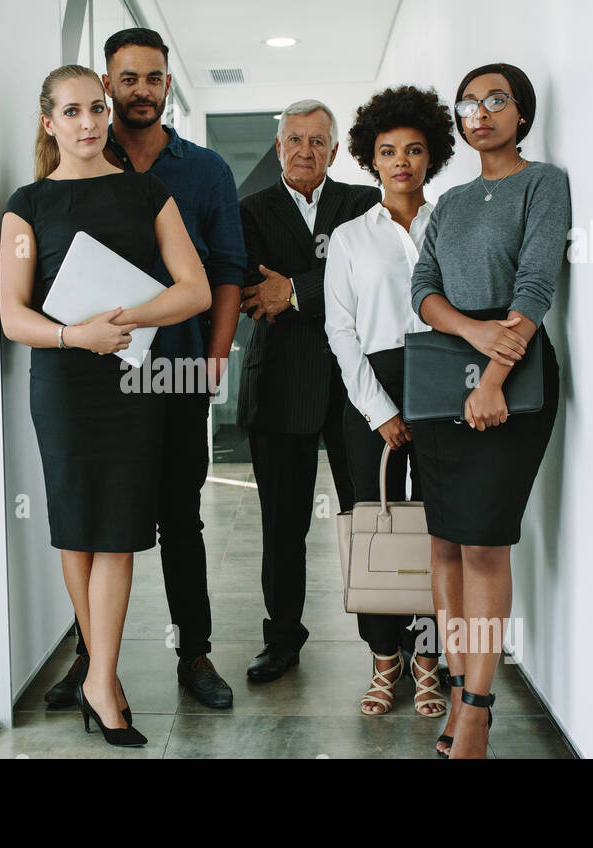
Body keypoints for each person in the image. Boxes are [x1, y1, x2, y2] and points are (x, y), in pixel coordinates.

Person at [0, 64, 211, 746]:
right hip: (63, 385)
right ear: (49, 122)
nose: (88, 122)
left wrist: (126, 322)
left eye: (97, 108)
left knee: (119, 529)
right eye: (72, 111)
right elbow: (11, 315)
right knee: (76, 528)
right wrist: (74, 334)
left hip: (129, 378)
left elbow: (196, 289)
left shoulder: (146, 193)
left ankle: (101, 674)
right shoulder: (26, 205)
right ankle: (104, 681)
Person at [42, 28, 244, 710]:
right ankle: (92, 662)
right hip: (95, 374)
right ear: (106, 84)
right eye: (126, 78)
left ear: (165, 86)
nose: (140, 90)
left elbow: (226, 274)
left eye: (153, 78)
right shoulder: (77, 160)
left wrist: (214, 361)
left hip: (176, 367)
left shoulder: (205, 171)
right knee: (92, 521)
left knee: (180, 515)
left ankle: (194, 655)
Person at [409, 63, 570, 758]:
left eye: (496, 100)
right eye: (469, 103)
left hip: (515, 373)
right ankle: (454, 688)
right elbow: (423, 286)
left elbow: (535, 284)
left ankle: (476, 711)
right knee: (444, 540)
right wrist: (470, 334)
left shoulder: (543, 184)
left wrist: (494, 374)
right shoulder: (447, 201)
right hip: (447, 369)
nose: (480, 112)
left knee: (482, 542)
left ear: (522, 115)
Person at [237, 100, 382, 683]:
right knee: (283, 524)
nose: (305, 150)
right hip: (280, 388)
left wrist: (295, 289)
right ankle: (282, 640)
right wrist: (327, 287)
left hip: (357, 388)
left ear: (336, 150)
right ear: (278, 148)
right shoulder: (249, 212)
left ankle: (387, 645)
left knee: (371, 518)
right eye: (294, 139)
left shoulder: (363, 204)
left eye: (317, 141)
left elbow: (372, 279)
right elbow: (253, 292)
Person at [324, 85, 455, 718]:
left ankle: (429, 662)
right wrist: (380, 412)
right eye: (387, 151)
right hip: (368, 387)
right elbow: (340, 330)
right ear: (370, 160)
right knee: (374, 524)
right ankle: (384, 660)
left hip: (441, 381)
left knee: (438, 528)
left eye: (414, 150)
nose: (401, 161)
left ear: (432, 157)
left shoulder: (451, 223)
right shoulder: (349, 238)